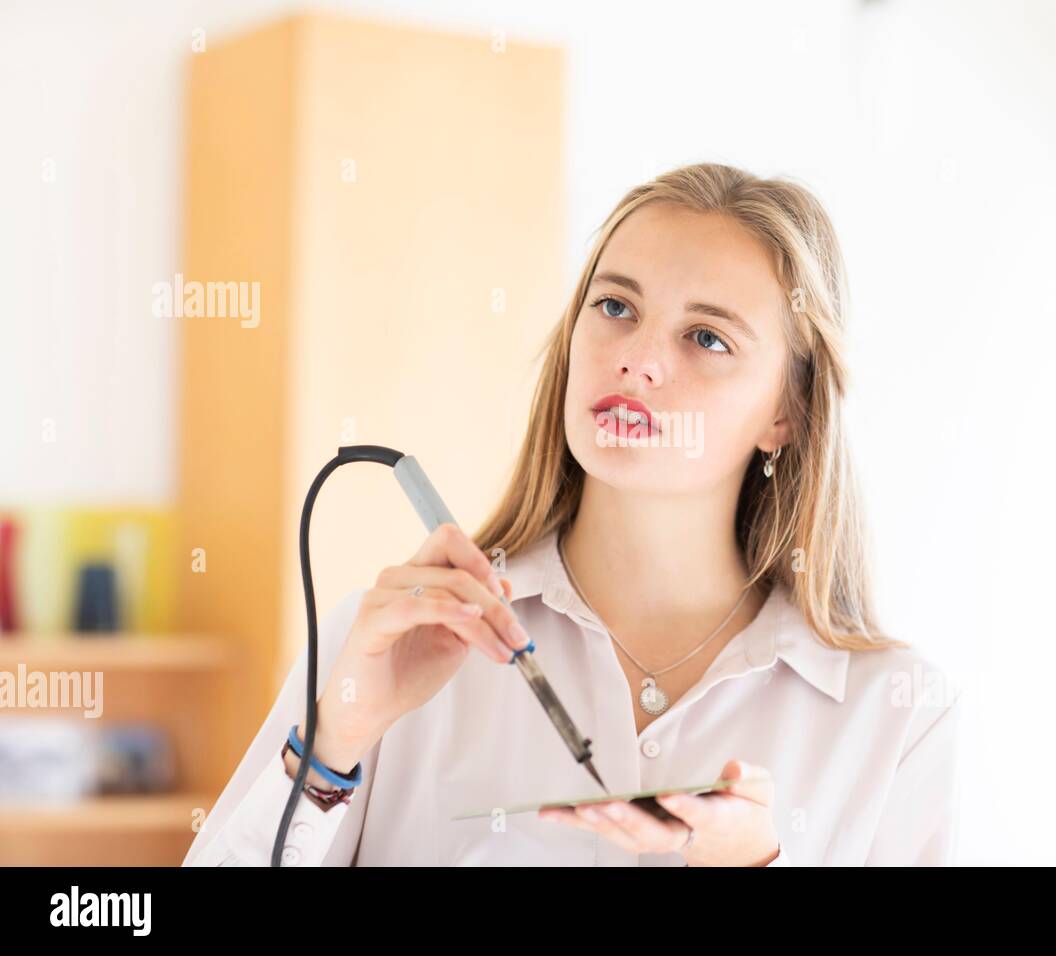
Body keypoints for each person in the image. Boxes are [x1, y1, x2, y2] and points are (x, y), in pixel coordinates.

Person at [182, 162, 964, 867]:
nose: (638, 357)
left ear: (786, 414)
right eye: (617, 306)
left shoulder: (894, 718)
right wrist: (331, 750)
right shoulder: (389, 646)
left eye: (705, 336)